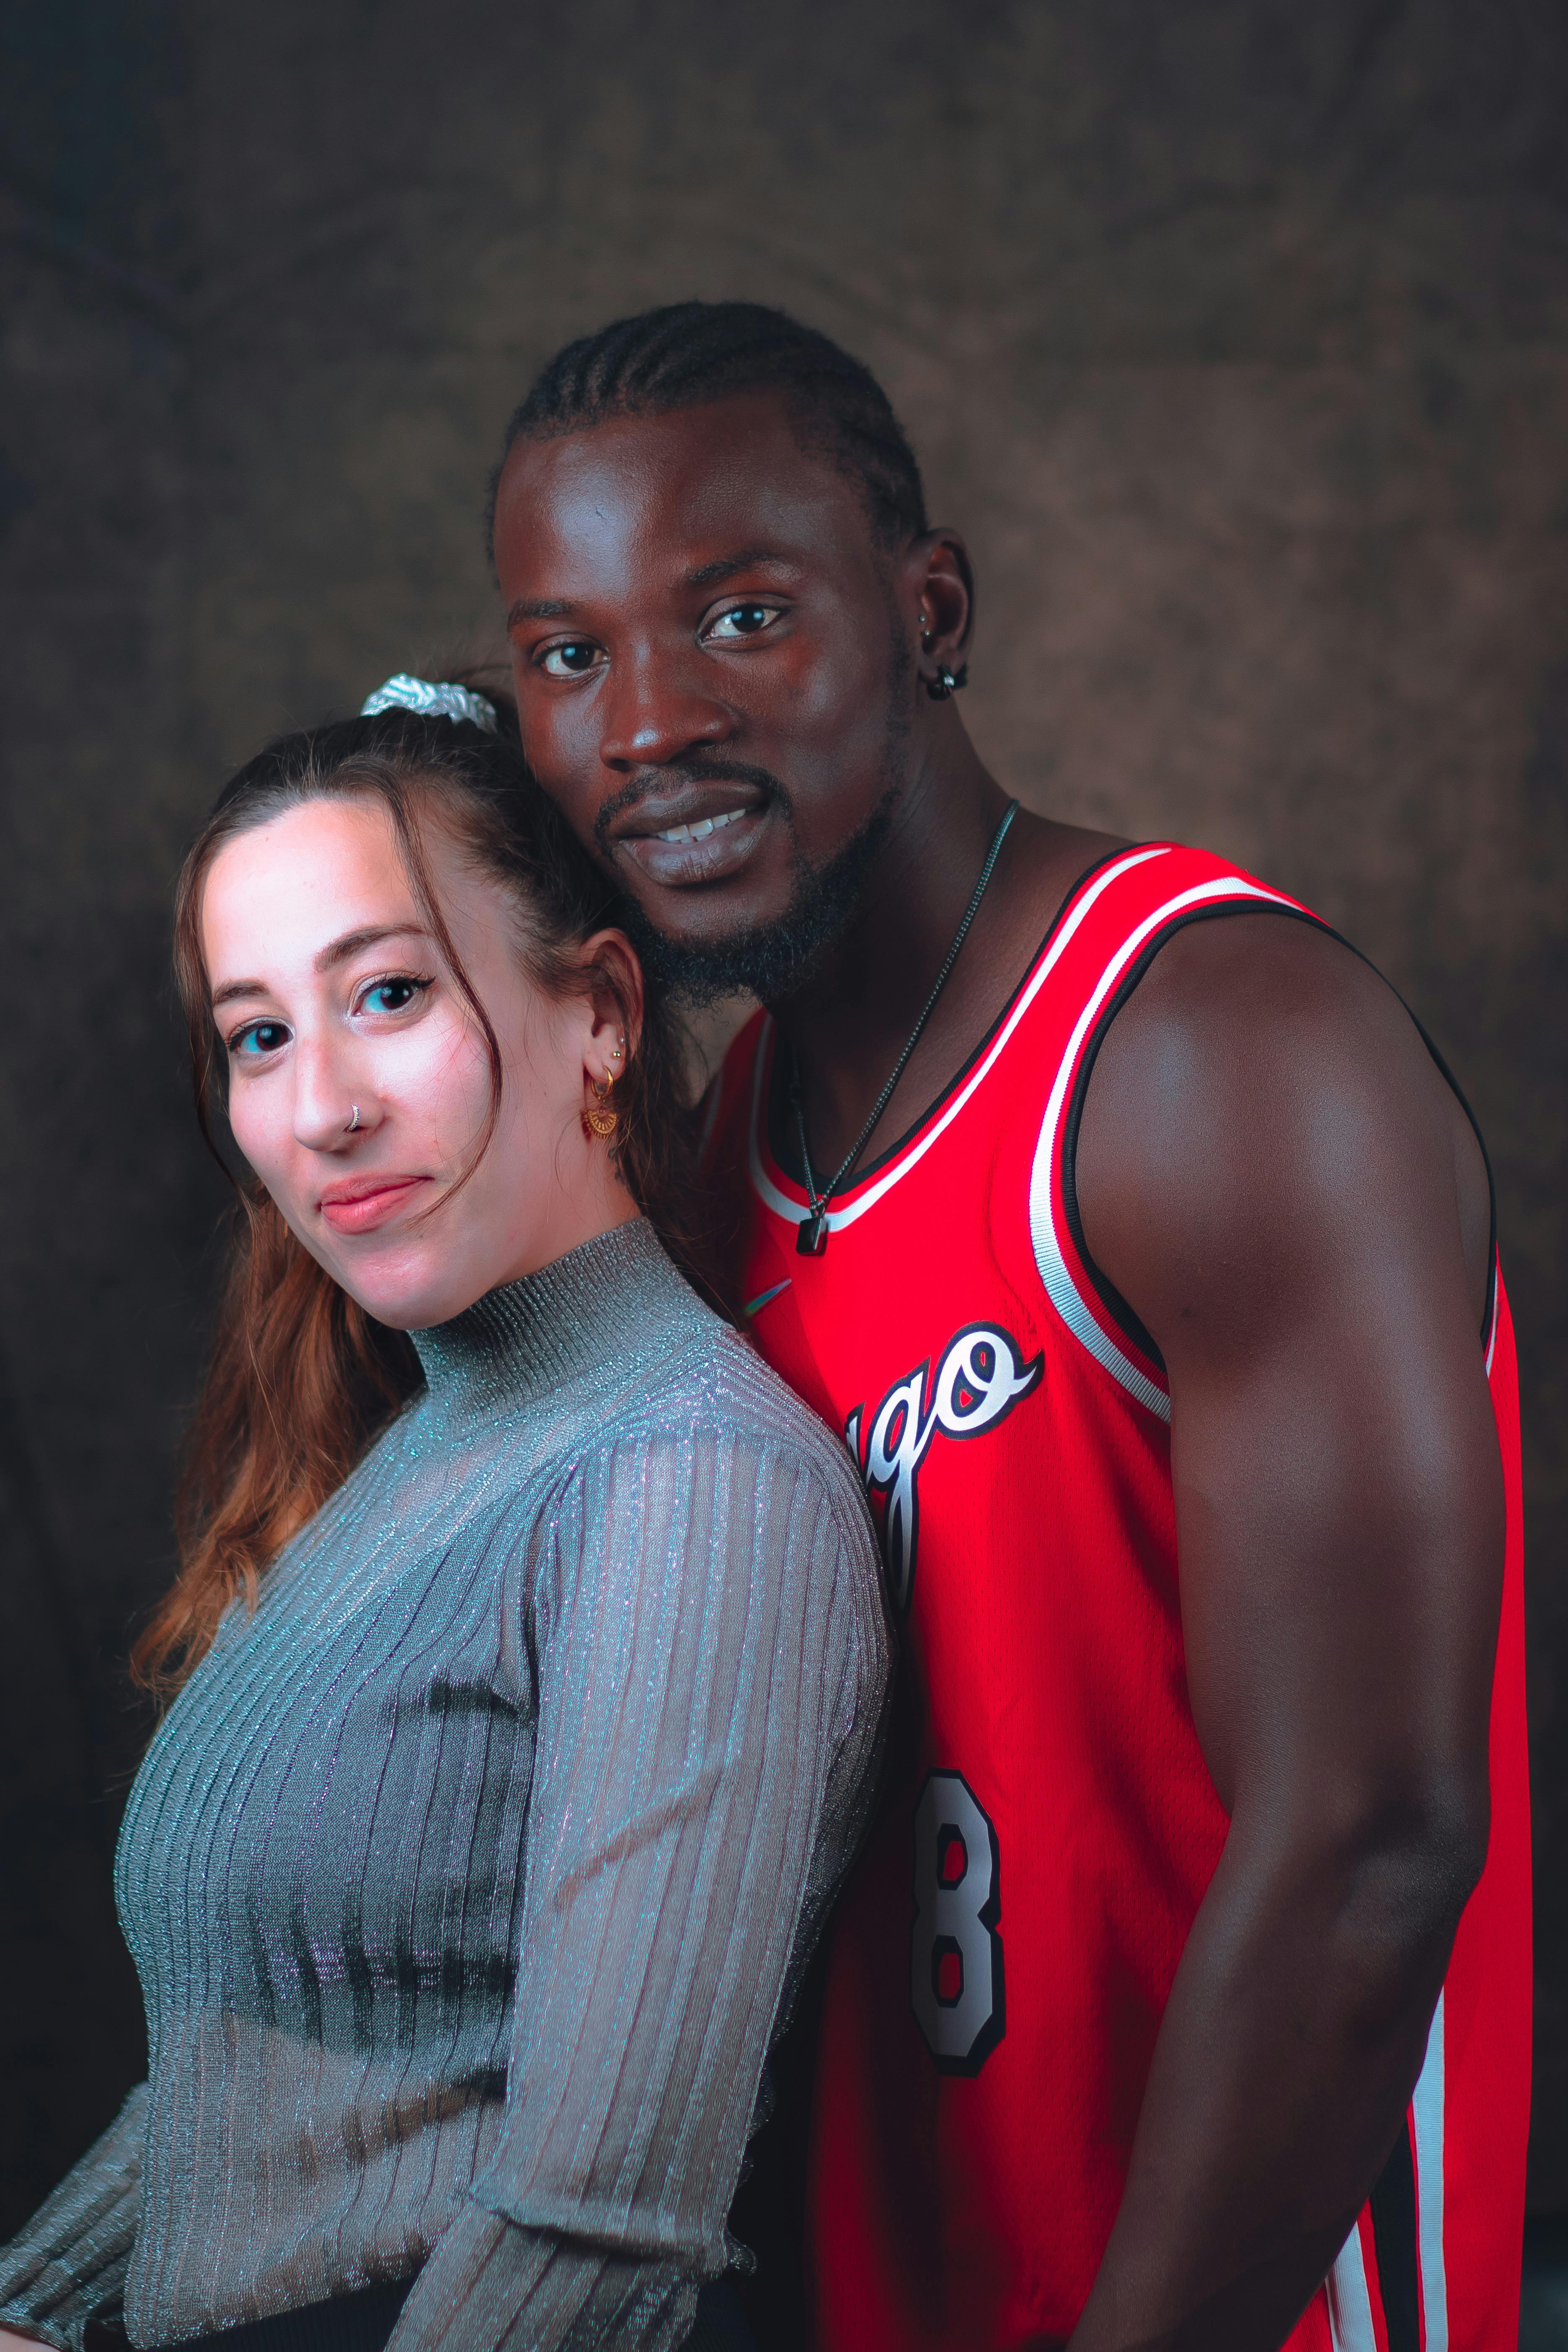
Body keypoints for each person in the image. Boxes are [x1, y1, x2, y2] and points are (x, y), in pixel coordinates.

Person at [484, 302, 1531, 2352]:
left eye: (743, 617)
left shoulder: (1205, 1048)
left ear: (928, 610)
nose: (647, 726)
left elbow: (1370, 1846)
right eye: (568, 655)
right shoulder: (711, 1158)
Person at [0, 676, 890, 2352]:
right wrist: (35, 2310)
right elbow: (257, 2071)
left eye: (390, 993)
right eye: (259, 1035)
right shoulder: (409, 1457)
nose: (321, 1108)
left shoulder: (687, 1482)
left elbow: (600, 2223)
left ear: (600, 1013)